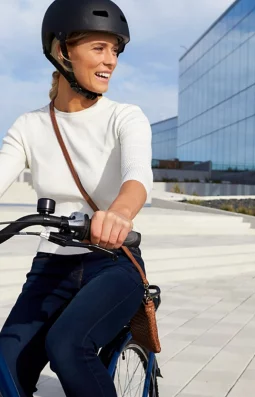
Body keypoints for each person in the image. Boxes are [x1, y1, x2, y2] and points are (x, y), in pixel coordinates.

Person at [0, 0, 153, 396]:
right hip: (51, 266)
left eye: (115, 50)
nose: (112, 61)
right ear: (62, 51)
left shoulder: (126, 116)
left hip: (113, 262)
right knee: (5, 365)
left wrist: (118, 214)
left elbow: (137, 178)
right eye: (99, 48)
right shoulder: (30, 125)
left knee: (68, 346)